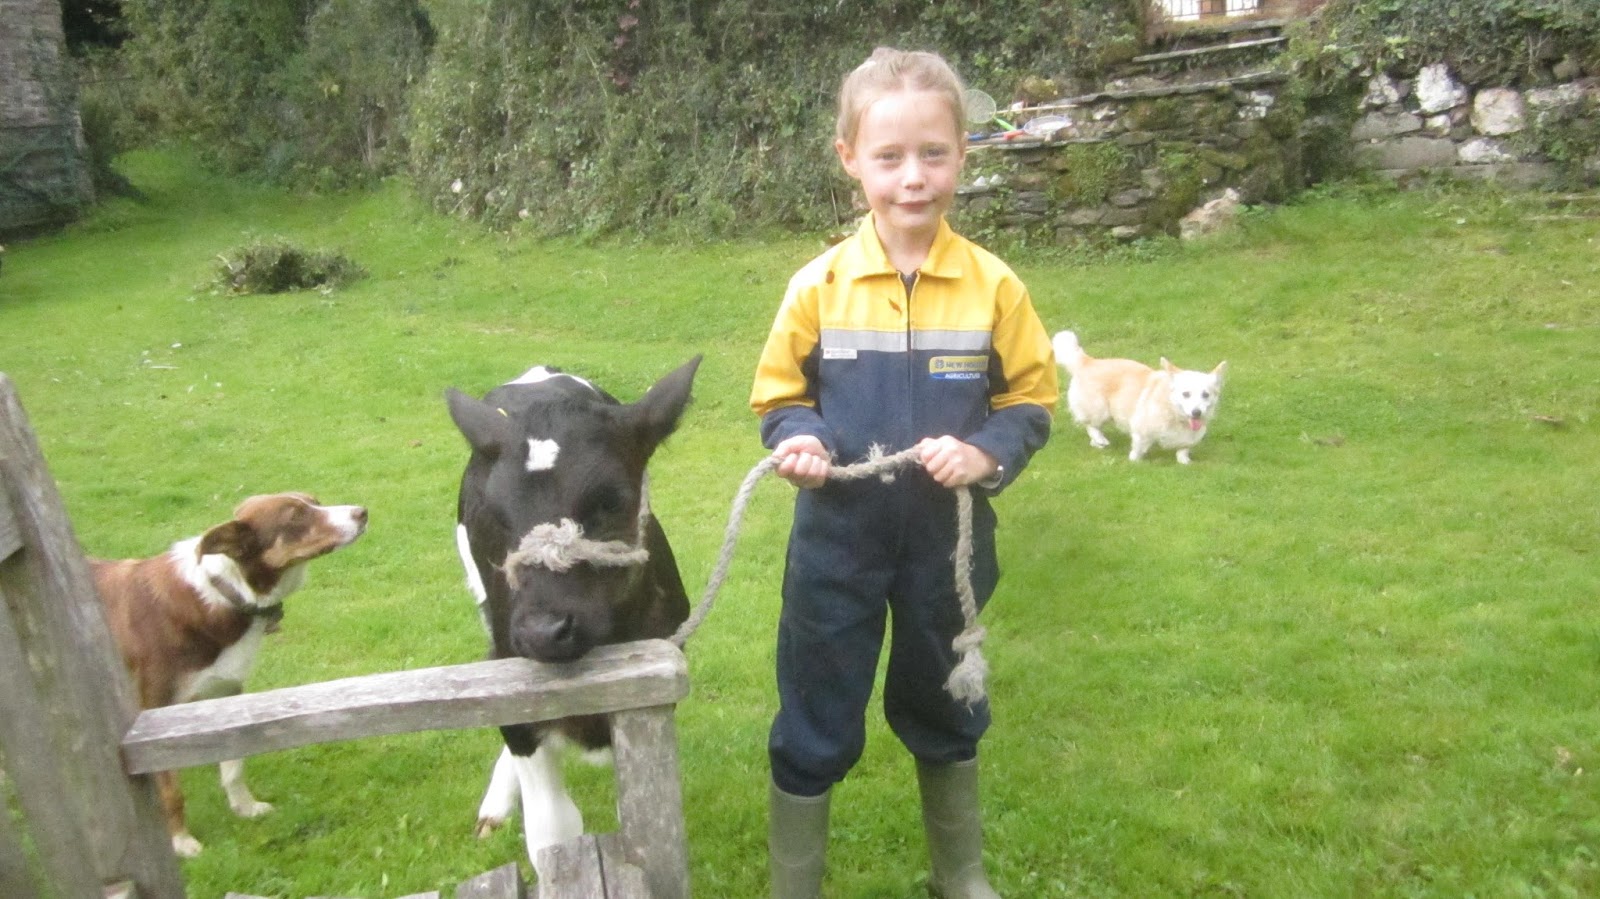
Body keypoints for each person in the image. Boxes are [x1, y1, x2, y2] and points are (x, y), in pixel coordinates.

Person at [749, 47, 1058, 899]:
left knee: (947, 706)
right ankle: (794, 887)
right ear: (851, 159)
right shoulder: (818, 286)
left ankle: (960, 876)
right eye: (889, 157)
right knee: (815, 716)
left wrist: (987, 453)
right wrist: (802, 441)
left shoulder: (996, 288)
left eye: (933, 153)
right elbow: (781, 396)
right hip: (835, 546)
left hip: (946, 553)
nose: (912, 177)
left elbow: (1031, 400)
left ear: (964, 152)